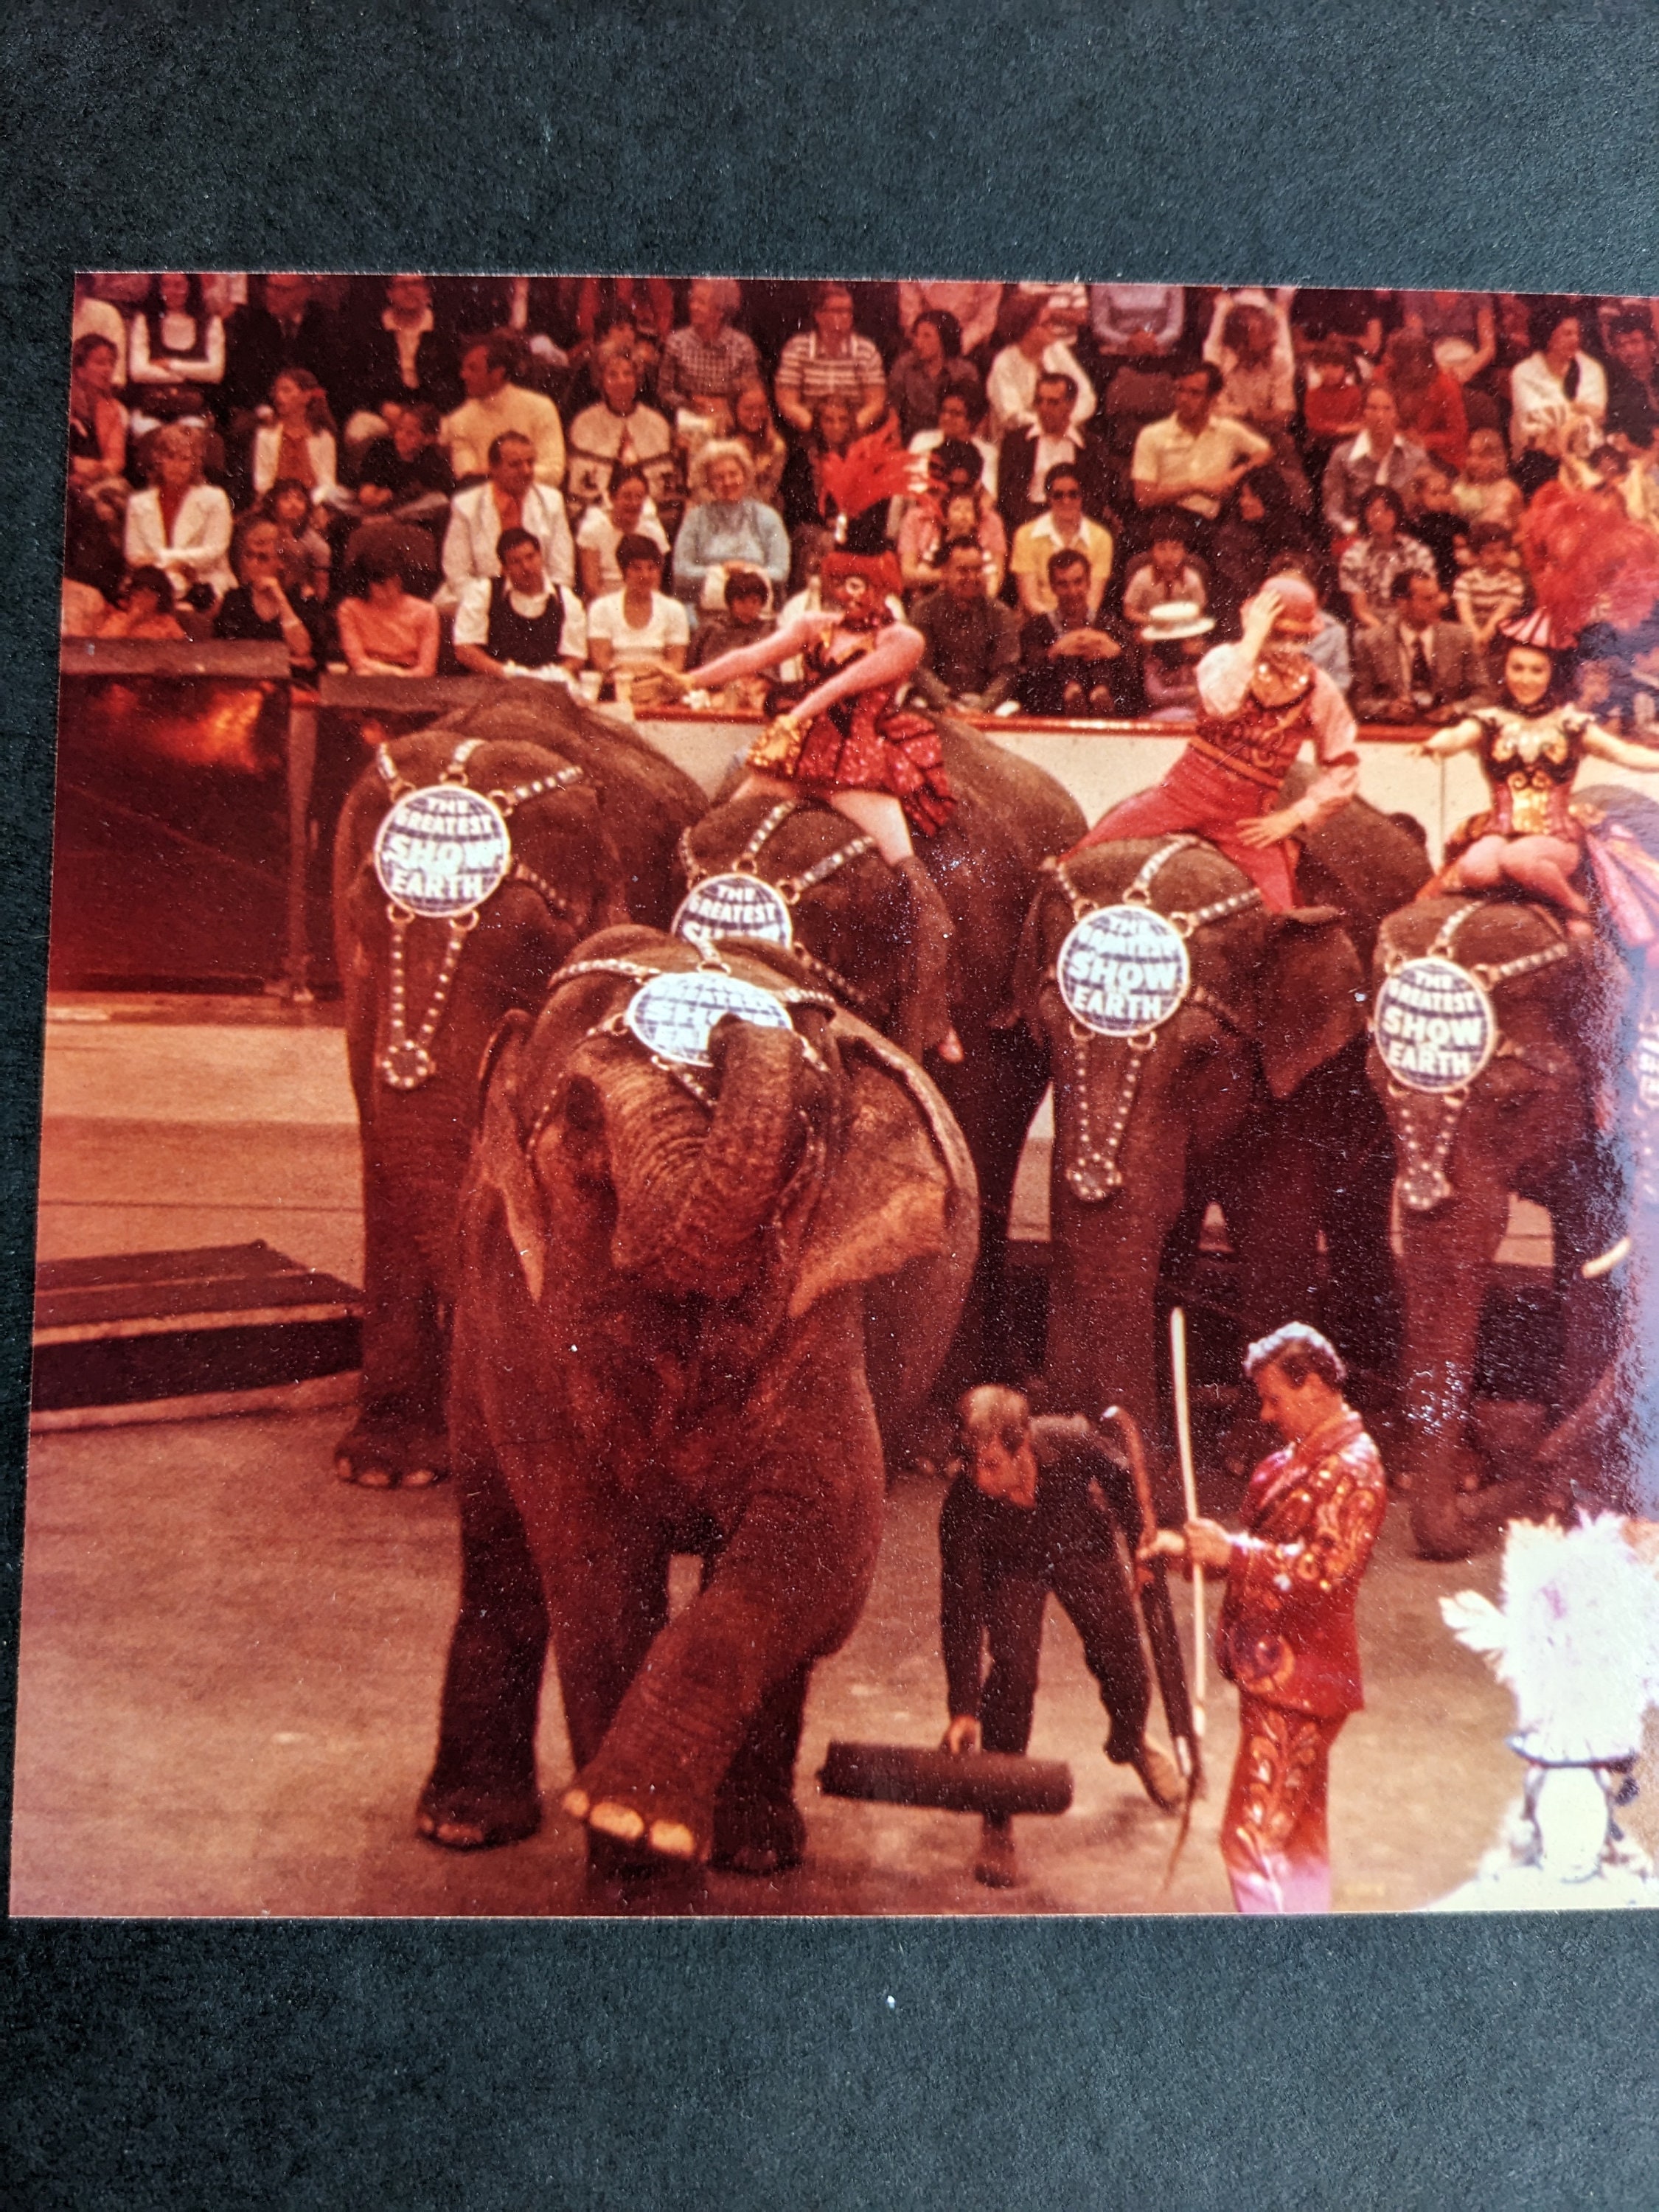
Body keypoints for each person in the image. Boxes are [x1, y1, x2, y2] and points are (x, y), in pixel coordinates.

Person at [665, 549, 961, 1060]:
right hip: (796, 757)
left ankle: (934, 1017)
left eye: (860, 583)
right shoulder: (812, 624)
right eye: (841, 582)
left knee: (912, 879)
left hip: (857, 766)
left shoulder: (902, 639)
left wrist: (796, 714)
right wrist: (691, 680)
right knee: (714, 833)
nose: (848, 592)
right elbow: (749, 658)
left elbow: (848, 683)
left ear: (881, 589)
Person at [1141, 1324, 1385, 1915]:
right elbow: (1253, 1551)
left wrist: (1233, 1554)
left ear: (1316, 1387)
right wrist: (1191, 1549)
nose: (1267, 1414)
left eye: (1275, 1398)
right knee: (1298, 1837)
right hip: (1279, 1677)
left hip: (1302, 1684)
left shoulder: (1356, 1467)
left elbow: (1328, 1570)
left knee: (1249, 1842)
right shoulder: (1289, 1464)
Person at [941, 1385, 1183, 1888]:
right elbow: (961, 1608)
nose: (981, 1479)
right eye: (972, 1465)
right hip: (1011, 1568)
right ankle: (998, 1820)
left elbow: (1123, 1477)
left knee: (1121, 1656)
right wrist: (963, 1707)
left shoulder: (1070, 1440)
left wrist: (1142, 1541)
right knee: (1013, 1672)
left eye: (991, 1464)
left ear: (1022, 1445)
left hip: (1079, 1544)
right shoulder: (964, 1506)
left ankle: (1131, 1740)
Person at [1074, 575, 1359, 911]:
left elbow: (1344, 767)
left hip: (1246, 822)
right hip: (1179, 796)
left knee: (1282, 914)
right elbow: (1221, 705)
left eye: (1295, 638)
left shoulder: (1319, 689)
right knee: (1083, 858)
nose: (1285, 645)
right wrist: (1252, 641)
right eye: (1277, 634)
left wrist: (1295, 816)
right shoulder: (1223, 659)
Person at [1415, 613, 1659, 944]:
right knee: (1474, 868)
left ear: (1551, 675)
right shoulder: (1492, 721)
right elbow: (1458, 736)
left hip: (1556, 837)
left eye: (1536, 670)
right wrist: (1436, 745)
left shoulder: (1571, 724)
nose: (1525, 680)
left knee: (1521, 860)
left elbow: (1625, 754)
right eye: (1518, 669)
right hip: (1501, 831)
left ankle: (1577, 908)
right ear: (1505, 669)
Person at [1130, 360, 1272, 542]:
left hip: (1209, 524)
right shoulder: (1152, 435)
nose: (1184, 399)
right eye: (1180, 390)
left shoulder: (1228, 430)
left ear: (1213, 399)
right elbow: (1143, 497)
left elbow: (1265, 451)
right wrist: (1196, 486)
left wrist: (1236, 473)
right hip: (1166, 520)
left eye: (1194, 393)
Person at [440, 431, 574, 605]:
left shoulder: (552, 501)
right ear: (493, 468)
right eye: (515, 464)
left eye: (530, 463)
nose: (526, 471)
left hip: (539, 597)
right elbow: (457, 574)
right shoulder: (466, 505)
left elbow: (562, 572)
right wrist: (494, 605)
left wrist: (540, 602)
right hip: (483, 598)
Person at [1350, 570, 1489, 723]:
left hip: (1447, 731)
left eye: (1437, 597)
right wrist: (1387, 709)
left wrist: (1455, 709)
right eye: (1428, 599)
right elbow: (1359, 702)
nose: (1437, 604)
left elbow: (1485, 695)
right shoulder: (1371, 642)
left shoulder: (1461, 638)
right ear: (1402, 603)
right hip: (1394, 732)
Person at [1016, 547, 1141, 717]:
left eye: (1078, 582)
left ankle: (1100, 695)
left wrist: (1116, 653)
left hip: (1109, 723)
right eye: (1063, 584)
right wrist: (1054, 652)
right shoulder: (1036, 628)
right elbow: (1026, 679)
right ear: (1053, 587)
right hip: (1055, 718)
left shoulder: (1111, 626)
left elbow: (1136, 679)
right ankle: (1072, 695)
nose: (1072, 592)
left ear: (1089, 582)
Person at [453, 526, 587, 683]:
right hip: (494, 686)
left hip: (547, 690)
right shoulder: (482, 592)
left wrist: (547, 677)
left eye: (531, 557)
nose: (527, 567)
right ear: (504, 568)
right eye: (516, 562)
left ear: (541, 556)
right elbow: (464, 650)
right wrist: (509, 673)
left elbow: (576, 658)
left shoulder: (567, 599)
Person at [122, 424, 235, 609]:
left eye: (185, 459)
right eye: (170, 457)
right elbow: (134, 556)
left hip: (203, 583)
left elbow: (214, 551)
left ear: (195, 463)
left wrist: (161, 557)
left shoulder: (215, 498)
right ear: (159, 460)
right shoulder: (138, 502)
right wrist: (174, 565)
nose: (177, 466)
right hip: (154, 585)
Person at [670, 440, 790, 613]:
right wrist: (720, 571)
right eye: (719, 477)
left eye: (733, 474)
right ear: (709, 483)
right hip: (706, 611)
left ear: (745, 476)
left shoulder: (768, 517)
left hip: (758, 610)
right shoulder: (695, 519)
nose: (727, 482)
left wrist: (746, 572)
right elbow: (681, 572)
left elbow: (780, 572)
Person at [995, 371, 1119, 537]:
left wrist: (1066, 521)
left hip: (1075, 522)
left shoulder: (1091, 446)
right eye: (1039, 401)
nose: (1044, 409)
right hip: (1027, 523)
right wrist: (1042, 525)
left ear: (1071, 405)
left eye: (1053, 402)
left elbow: (1096, 498)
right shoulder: (1016, 442)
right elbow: (1009, 495)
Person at [911, 537, 1021, 712]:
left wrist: (983, 707)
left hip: (987, 703)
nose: (972, 577)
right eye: (963, 570)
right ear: (945, 572)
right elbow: (920, 669)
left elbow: (1007, 671)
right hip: (938, 702)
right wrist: (945, 703)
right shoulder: (924, 611)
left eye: (977, 570)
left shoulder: (1000, 614)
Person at [1509, 303, 1607, 499]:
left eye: (1577, 334)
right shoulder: (1524, 373)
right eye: (1567, 334)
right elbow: (1534, 423)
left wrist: (1563, 423)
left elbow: (1596, 418)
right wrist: (1577, 409)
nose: (1575, 340)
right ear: (1548, 336)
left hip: (1587, 452)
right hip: (1540, 459)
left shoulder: (1591, 369)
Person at [442, 331, 567, 486]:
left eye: (473, 369)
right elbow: (469, 479)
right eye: (464, 368)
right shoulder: (459, 420)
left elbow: (554, 472)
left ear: (498, 374)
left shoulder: (540, 408)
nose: (463, 375)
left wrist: (500, 475)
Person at [564, 347, 675, 516]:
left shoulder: (657, 423)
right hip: (597, 514)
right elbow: (580, 489)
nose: (621, 381)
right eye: (613, 375)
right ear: (601, 381)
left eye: (628, 374)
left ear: (637, 379)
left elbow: (664, 491)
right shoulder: (584, 423)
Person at [585, 533, 690, 704]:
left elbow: (676, 664)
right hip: (614, 688)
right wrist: (639, 671)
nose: (645, 575)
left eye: (651, 568)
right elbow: (601, 662)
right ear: (623, 571)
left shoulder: (674, 610)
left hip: (659, 690)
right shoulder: (601, 608)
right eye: (637, 568)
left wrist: (645, 676)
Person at [773, 283, 888, 437]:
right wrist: (819, 430)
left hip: (855, 433)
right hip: (809, 434)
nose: (845, 316)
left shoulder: (866, 350)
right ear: (819, 316)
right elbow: (787, 402)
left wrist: (847, 429)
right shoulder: (797, 348)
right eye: (838, 311)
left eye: (848, 311)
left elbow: (876, 403)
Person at [896, 440, 1006, 598]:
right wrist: (953, 577)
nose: (957, 493)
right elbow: (908, 576)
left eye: (965, 487)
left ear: (976, 485)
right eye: (952, 486)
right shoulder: (916, 518)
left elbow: (996, 578)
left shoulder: (990, 520)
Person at [212, 516, 324, 669]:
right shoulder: (234, 599)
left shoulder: (302, 598)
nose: (253, 564)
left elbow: (302, 650)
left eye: (263, 558)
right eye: (249, 555)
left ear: (282, 562)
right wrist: (280, 661)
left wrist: (280, 598)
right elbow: (227, 654)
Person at [1321, 383, 1429, 538]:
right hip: (1356, 536)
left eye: (1387, 409)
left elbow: (1424, 508)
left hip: (1404, 537)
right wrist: (1350, 528)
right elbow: (1332, 510)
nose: (1380, 416)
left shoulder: (1416, 457)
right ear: (1363, 413)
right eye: (1373, 408)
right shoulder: (1342, 456)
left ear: (1396, 415)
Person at [1008, 465, 1114, 617]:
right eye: (1058, 495)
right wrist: (1057, 625)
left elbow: (1093, 600)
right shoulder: (1025, 535)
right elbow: (1030, 600)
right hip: (1038, 621)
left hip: (1084, 622)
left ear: (1083, 496)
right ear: (1048, 498)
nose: (1066, 501)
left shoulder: (1101, 538)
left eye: (1073, 494)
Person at [985, 295, 1096, 441]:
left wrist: (1065, 422)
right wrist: (1050, 424)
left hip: (1063, 434)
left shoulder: (1056, 350)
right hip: (1021, 443)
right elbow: (1012, 417)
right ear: (1024, 331)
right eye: (1045, 324)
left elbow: (1086, 395)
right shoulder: (1004, 363)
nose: (1052, 328)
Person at [655, 279, 762, 425]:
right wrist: (690, 403)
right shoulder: (676, 343)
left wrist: (725, 405)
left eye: (701, 303)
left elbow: (752, 393)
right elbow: (664, 392)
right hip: (689, 418)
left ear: (720, 312)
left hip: (731, 420)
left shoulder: (742, 346)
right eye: (692, 301)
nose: (694, 307)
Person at [125, 273, 224, 430]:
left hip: (193, 409)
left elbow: (215, 373)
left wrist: (171, 365)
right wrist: (193, 374)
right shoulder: (144, 320)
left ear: (191, 287)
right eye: (166, 285)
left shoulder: (211, 323)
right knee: (149, 432)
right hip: (151, 407)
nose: (171, 291)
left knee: (190, 434)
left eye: (178, 285)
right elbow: (138, 372)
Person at [1337, 486, 1437, 630]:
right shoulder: (1353, 556)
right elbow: (1361, 611)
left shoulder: (1417, 552)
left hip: (1412, 620)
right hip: (1373, 626)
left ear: (1397, 514)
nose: (1378, 516)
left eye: (1386, 511)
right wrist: (1387, 634)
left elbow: (1429, 597)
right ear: (1364, 515)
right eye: (1372, 511)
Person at [335, 546, 439, 677]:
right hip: (367, 674)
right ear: (367, 584)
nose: (390, 591)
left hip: (410, 677)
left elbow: (426, 669)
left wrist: (400, 675)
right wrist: (389, 672)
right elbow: (357, 660)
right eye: (382, 585)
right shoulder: (349, 609)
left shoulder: (426, 611)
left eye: (395, 583)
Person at [1374, 330, 1468, 473]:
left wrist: (1424, 441)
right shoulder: (1381, 376)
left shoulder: (1446, 386)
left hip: (1437, 456)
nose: (1384, 359)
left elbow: (1458, 435)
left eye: (1390, 355)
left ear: (1408, 363)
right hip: (1391, 448)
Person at [574, 465, 669, 600]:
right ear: (612, 498)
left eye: (639, 497)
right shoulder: (592, 531)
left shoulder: (654, 533)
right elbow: (591, 586)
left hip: (643, 602)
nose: (634, 503)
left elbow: (654, 585)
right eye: (627, 496)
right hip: (604, 602)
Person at [886, 309, 980, 444]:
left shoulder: (965, 372)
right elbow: (893, 411)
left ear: (944, 338)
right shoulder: (905, 365)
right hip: (913, 439)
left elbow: (974, 416)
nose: (918, 342)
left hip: (953, 439)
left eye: (927, 336)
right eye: (917, 335)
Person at [250, 367, 338, 506]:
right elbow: (262, 481)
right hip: (275, 504)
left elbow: (327, 483)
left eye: (286, 391)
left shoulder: (323, 437)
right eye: (277, 391)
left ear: (306, 396)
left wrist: (309, 504)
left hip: (312, 503)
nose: (278, 397)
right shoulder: (266, 435)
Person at [1453, 521, 1529, 653]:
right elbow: (1465, 614)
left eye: (1503, 551)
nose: (1498, 557)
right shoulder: (1465, 580)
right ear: (1477, 554)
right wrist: (1476, 636)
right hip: (1472, 635)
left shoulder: (1513, 581)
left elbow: (1501, 614)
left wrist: (1484, 636)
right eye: (1491, 552)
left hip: (1501, 638)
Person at [1121, 515, 1209, 627]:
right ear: (1151, 552)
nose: (1169, 556)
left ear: (1185, 552)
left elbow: (1200, 610)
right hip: (1150, 626)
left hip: (1183, 627)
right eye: (1161, 548)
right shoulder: (1142, 578)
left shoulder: (1192, 579)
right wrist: (1151, 621)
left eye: (1176, 548)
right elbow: (1129, 611)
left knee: (1194, 644)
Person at [66, 333, 128, 492]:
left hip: (96, 481)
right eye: (100, 363)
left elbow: (116, 460)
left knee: (116, 492)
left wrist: (93, 473)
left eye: (111, 363)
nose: (108, 369)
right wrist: (74, 464)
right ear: (80, 370)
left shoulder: (112, 409)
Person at [1137, 599, 1215, 718]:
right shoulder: (1154, 663)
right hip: (1165, 715)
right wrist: (1186, 692)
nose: (1200, 643)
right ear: (1176, 643)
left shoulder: (1202, 659)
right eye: (1193, 639)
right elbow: (1155, 695)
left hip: (1197, 711)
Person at [1604, 307, 1659, 456]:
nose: (1628, 351)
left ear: (1651, 344)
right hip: (1640, 461)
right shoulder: (1614, 388)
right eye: (1621, 345)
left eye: (1635, 342)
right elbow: (1613, 432)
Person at [1452, 425, 1526, 533]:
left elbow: (1521, 529)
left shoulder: (1509, 489)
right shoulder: (1459, 487)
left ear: (1497, 458)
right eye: (1470, 454)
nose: (1474, 462)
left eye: (1482, 456)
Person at [97, 566, 187, 641]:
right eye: (138, 593)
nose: (143, 600)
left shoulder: (167, 624)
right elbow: (104, 645)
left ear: (160, 598)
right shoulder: (118, 619)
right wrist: (131, 621)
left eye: (148, 595)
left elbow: (180, 649)